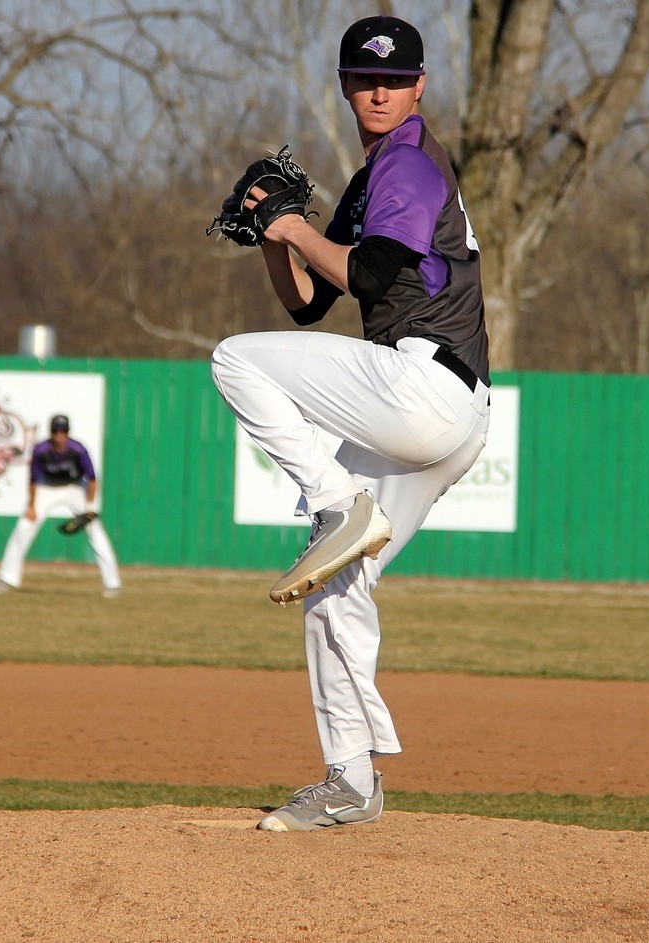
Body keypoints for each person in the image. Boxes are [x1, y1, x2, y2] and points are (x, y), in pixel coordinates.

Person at [210, 15, 490, 832]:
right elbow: (310, 303)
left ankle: (336, 504)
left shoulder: (407, 161)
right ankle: (351, 780)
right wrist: (273, 239)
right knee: (334, 589)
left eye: (394, 79)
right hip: (446, 413)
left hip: (421, 384)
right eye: (365, 79)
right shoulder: (373, 180)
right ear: (346, 85)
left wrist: (293, 223)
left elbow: (367, 273)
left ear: (419, 86)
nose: (379, 90)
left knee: (234, 357)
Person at [0, 414, 122, 598]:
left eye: (63, 431)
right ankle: (6, 579)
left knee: (94, 528)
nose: (60, 435)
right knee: (24, 526)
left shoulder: (78, 450)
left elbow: (92, 479)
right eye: (56, 431)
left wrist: (90, 506)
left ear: (68, 432)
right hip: (47, 488)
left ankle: (112, 583)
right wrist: (32, 507)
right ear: (51, 432)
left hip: (75, 488)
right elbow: (33, 480)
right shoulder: (41, 450)